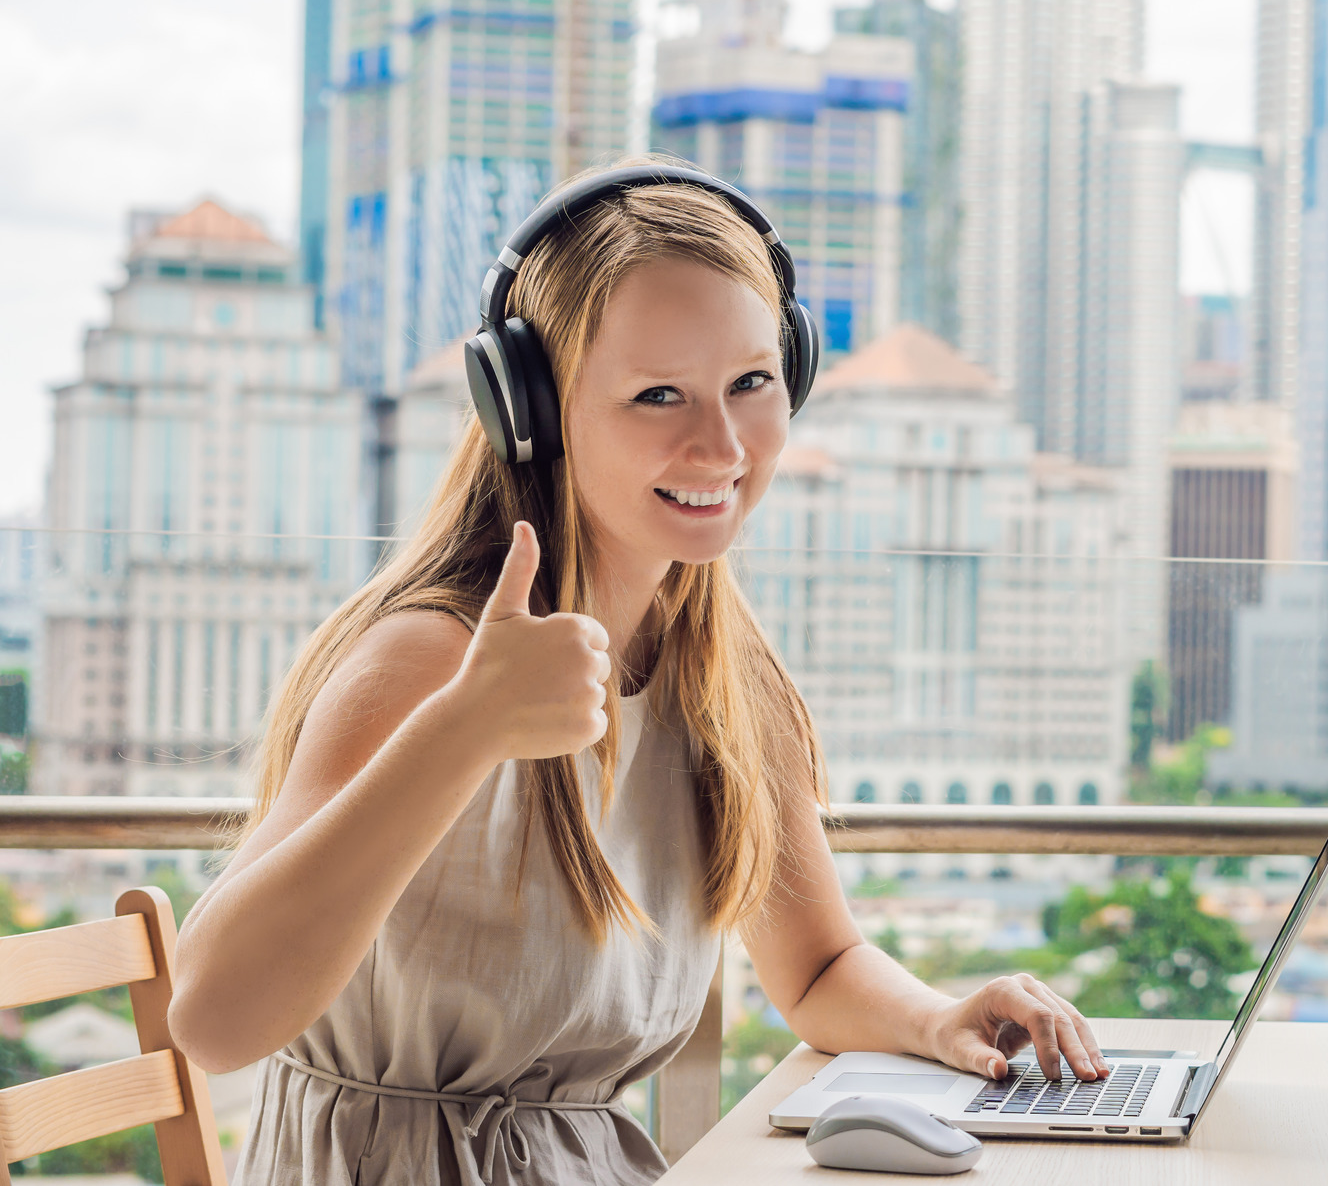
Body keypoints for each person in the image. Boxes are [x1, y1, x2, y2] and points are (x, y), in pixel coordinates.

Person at [169, 157, 1107, 1185]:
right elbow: (213, 1021)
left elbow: (815, 965)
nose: (719, 444)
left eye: (749, 383)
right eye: (657, 394)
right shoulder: (431, 655)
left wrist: (937, 1016)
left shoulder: (719, 669)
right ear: (532, 409)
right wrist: (466, 726)